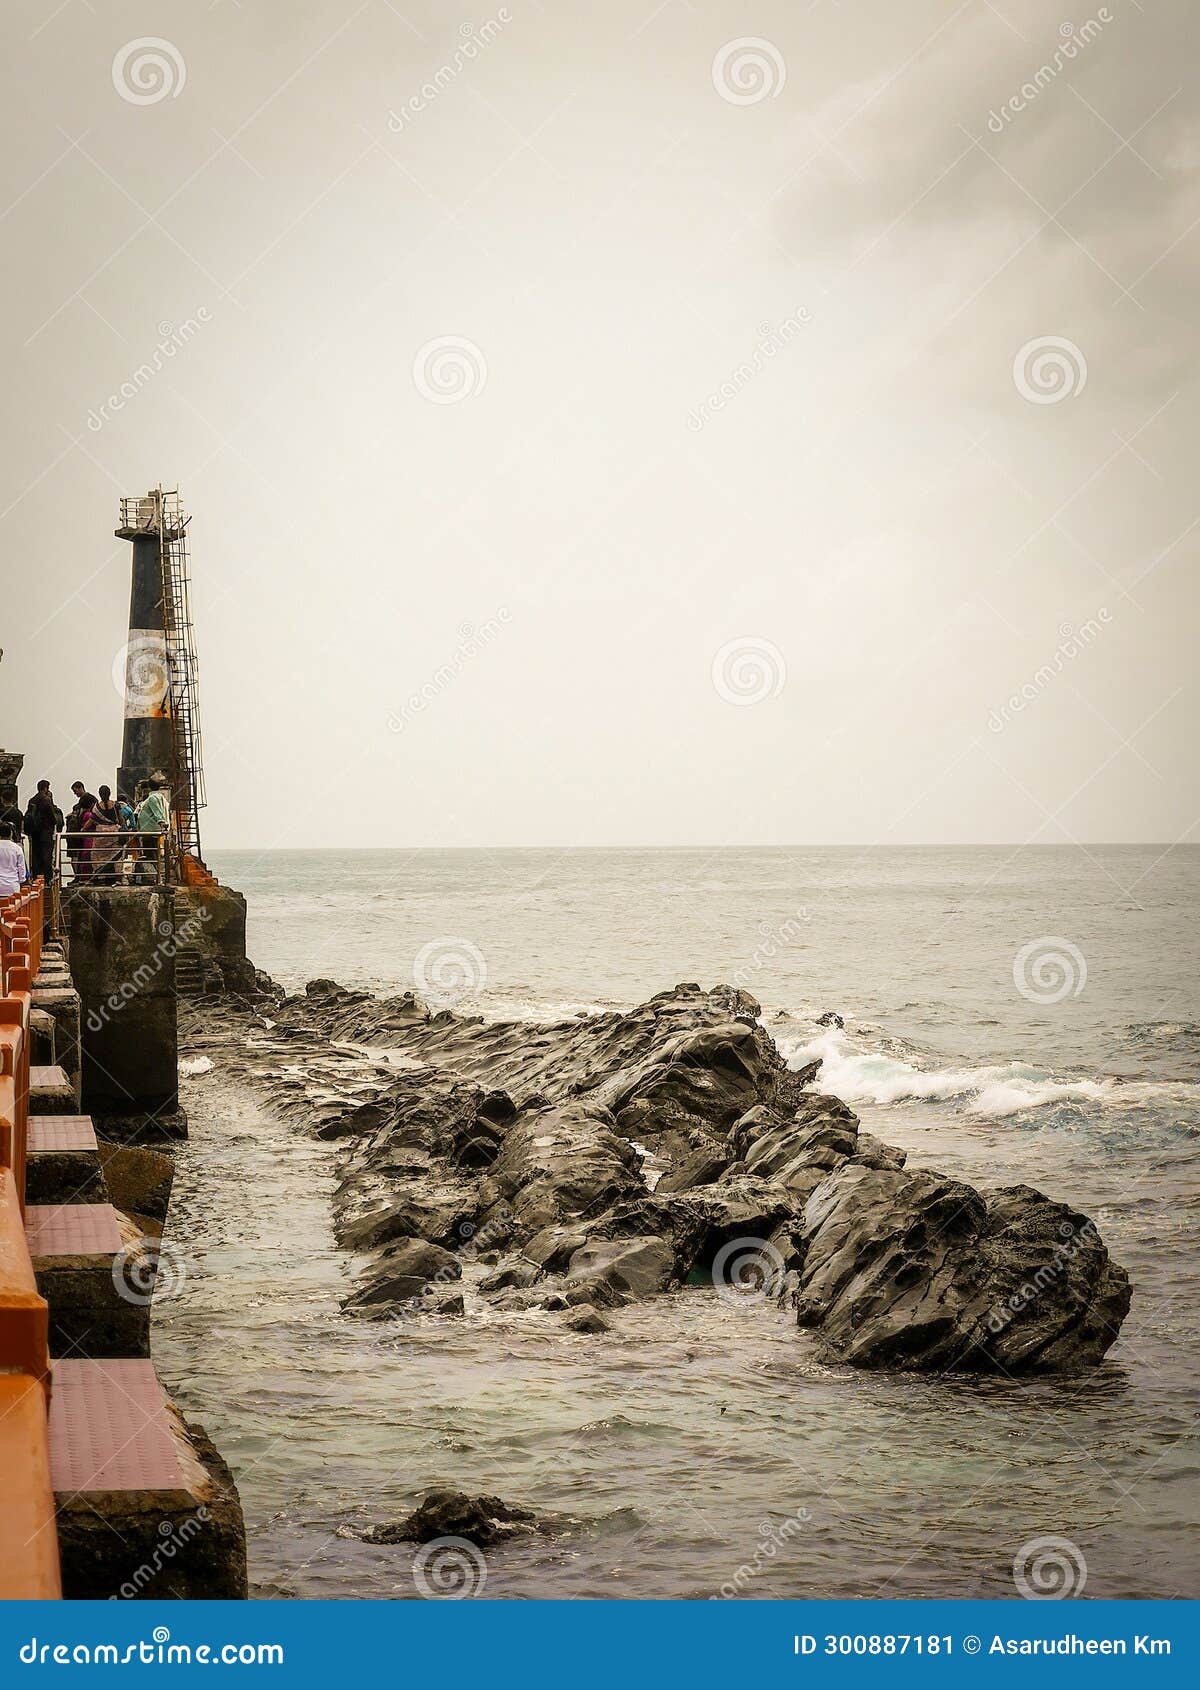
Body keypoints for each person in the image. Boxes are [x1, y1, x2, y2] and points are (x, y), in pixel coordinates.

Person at [83, 785, 126, 885]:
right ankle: (117, 878)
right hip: (114, 833)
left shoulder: (96, 807)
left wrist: (82, 830)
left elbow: (91, 821)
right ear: (109, 793)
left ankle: (100, 876)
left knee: (97, 855)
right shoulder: (116, 805)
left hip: (101, 835)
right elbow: (121, 819)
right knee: (116, 855)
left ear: (99, 794)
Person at [23, 781, 63, 883]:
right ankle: (47, 879)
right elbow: (53, 818)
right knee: (47, 856)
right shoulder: (46, 800)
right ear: (45, 788)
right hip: (45, 832)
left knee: (36, 856)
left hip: (34, 832)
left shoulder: (32, 800)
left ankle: (37, 878)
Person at [65, 781, 96, 881]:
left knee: (80, 856)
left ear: (81, 788)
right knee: (80, 856)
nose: (75, 794)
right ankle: (81, 877)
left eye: (75, 791)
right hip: (81, 835)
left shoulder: (87, 802)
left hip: (83, 835)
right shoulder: (82, 805)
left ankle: (80, 877)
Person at [0, 821, 28, 897]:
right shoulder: (17, 848)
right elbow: (21, 868)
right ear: (11, 834)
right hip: (13, 886)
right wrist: (22, 880)